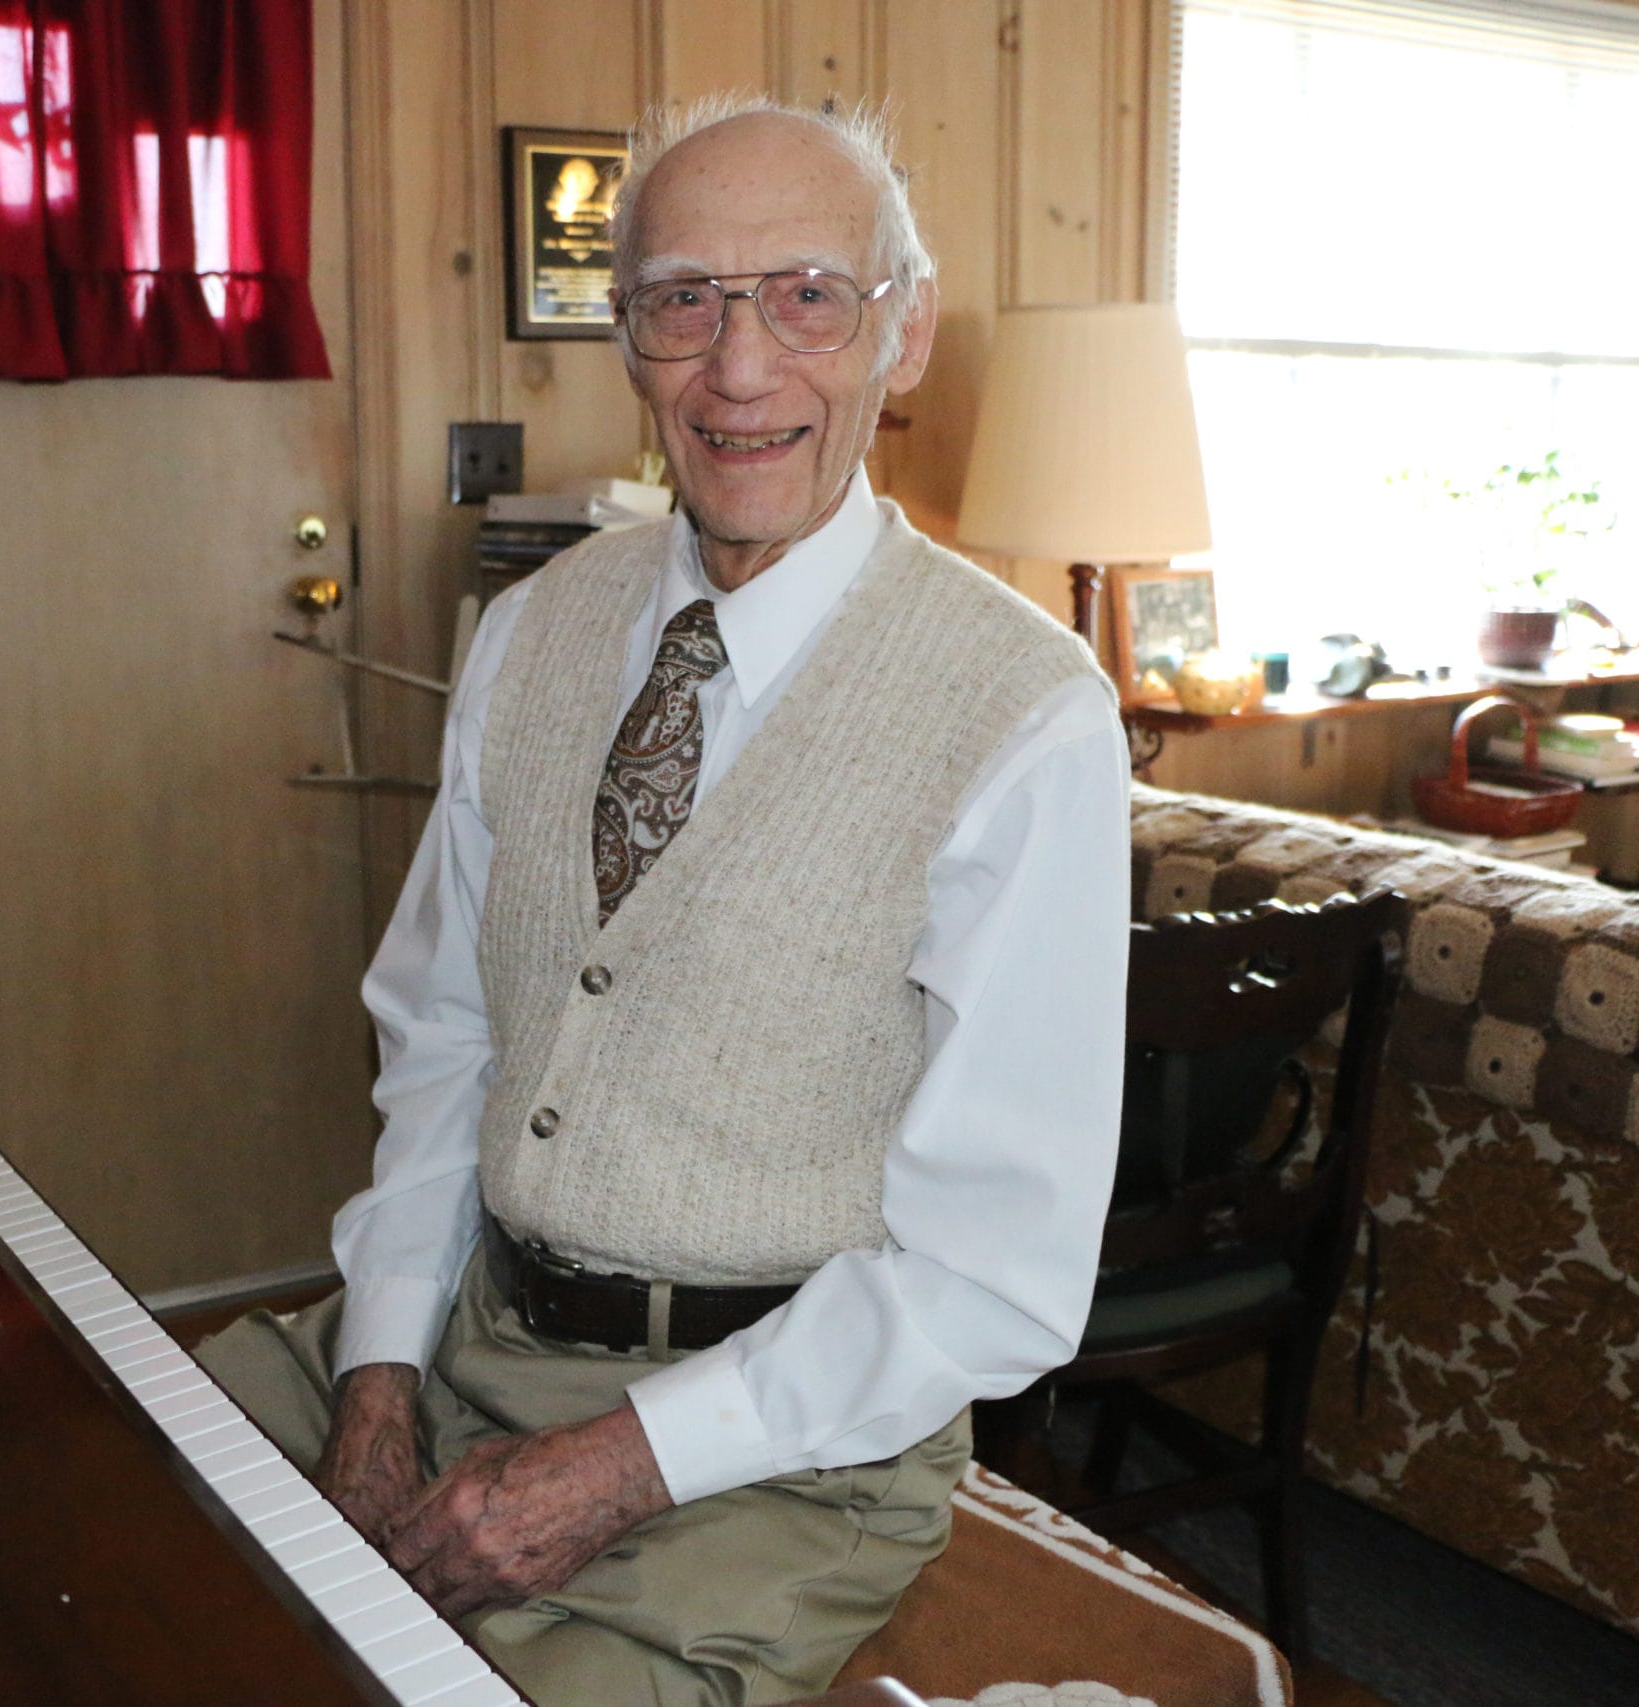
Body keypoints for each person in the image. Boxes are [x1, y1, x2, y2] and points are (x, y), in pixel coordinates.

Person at [198, 92, 1131, 1705]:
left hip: (789, 1443)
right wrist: (376, 1372)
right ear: (626, 340)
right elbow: (445, 1044)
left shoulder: (1025, 715)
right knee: (116, 1520)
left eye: (808, 297)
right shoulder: (534, 631)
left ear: (903, 336)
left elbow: (995, 1273)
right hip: (477, 1326)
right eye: (681, 300)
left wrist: (612, 1468)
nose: (742, 366)